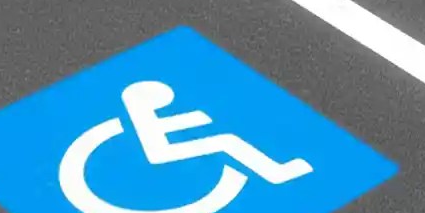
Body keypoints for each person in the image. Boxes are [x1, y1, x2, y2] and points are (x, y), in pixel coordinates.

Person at [121, 80, 313, 185]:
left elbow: (165, 125)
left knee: (227, 141)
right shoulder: (141, 109)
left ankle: (276, 171)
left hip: (161, 150)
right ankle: (276, 172)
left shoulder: (140, 109)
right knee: (228, 141)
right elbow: (164, 127)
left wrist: (194, 118)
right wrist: (194, 118)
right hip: (162, 152)